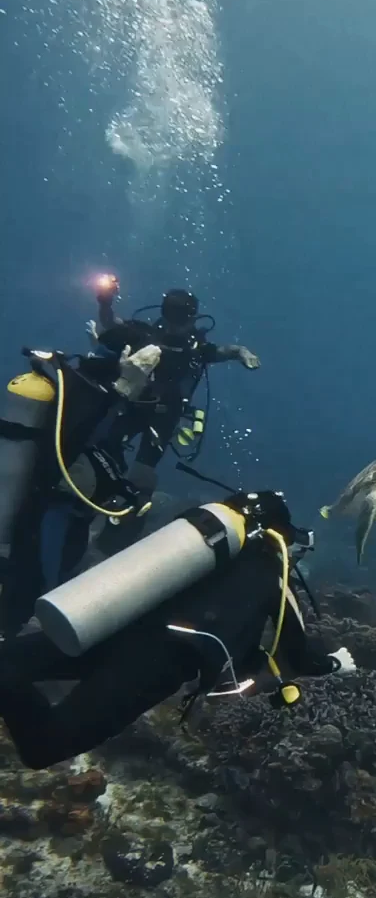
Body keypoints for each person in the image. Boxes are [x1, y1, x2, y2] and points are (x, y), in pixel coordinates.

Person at [0, 487, 356, 769]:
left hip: (109, 622)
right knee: (43, 747)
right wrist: (336, 663)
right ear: (283, 540)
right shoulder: (272, 577)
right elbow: (297, 652)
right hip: (157, 666)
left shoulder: (206, 549)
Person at [0, 344, 162, 638]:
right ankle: (14, 631)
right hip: (55, 507)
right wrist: (127, 493)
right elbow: (87, 451)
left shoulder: (73, 387)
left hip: (32, 500)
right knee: (41, 577)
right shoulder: (98, 402)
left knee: (23, 568)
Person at [90, 277, 262, 555]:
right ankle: (94, 510)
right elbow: (111, 324)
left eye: (180, 320)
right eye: (171, 318)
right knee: (104, 459)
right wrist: (105, 301)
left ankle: (116, 538)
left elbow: (224, 351)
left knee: (142, 476)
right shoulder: (144, 335)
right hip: (133, 408)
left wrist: (242, 352)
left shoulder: (196, 349)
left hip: (163, 418)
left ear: (192, 319)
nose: (175, 326)